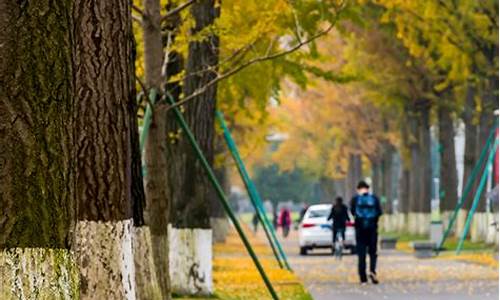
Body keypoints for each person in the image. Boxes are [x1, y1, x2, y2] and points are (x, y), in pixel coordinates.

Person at [350, 181, 382, 285]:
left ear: (358, 189)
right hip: (372, 229)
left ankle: (363, 278)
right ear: (368, 188)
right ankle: (372, 271)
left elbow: (352, 212)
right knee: (373, 253)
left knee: (361, 254)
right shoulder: (374, 198)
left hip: (360, 230)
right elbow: (379, 212)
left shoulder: (355, 199)